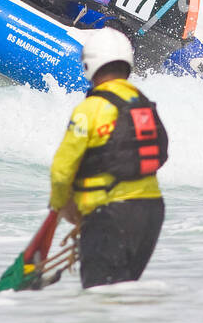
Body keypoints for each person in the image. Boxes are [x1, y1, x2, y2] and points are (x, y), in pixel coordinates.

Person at [49, 28, 167, 289]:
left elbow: (61, 171)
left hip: (110, 216)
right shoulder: (142, 103)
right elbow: (157, 154)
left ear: (90, 64)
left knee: (99, 296)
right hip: (151, 215)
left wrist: (61, 207)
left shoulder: (90, 108)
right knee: (123, 291)